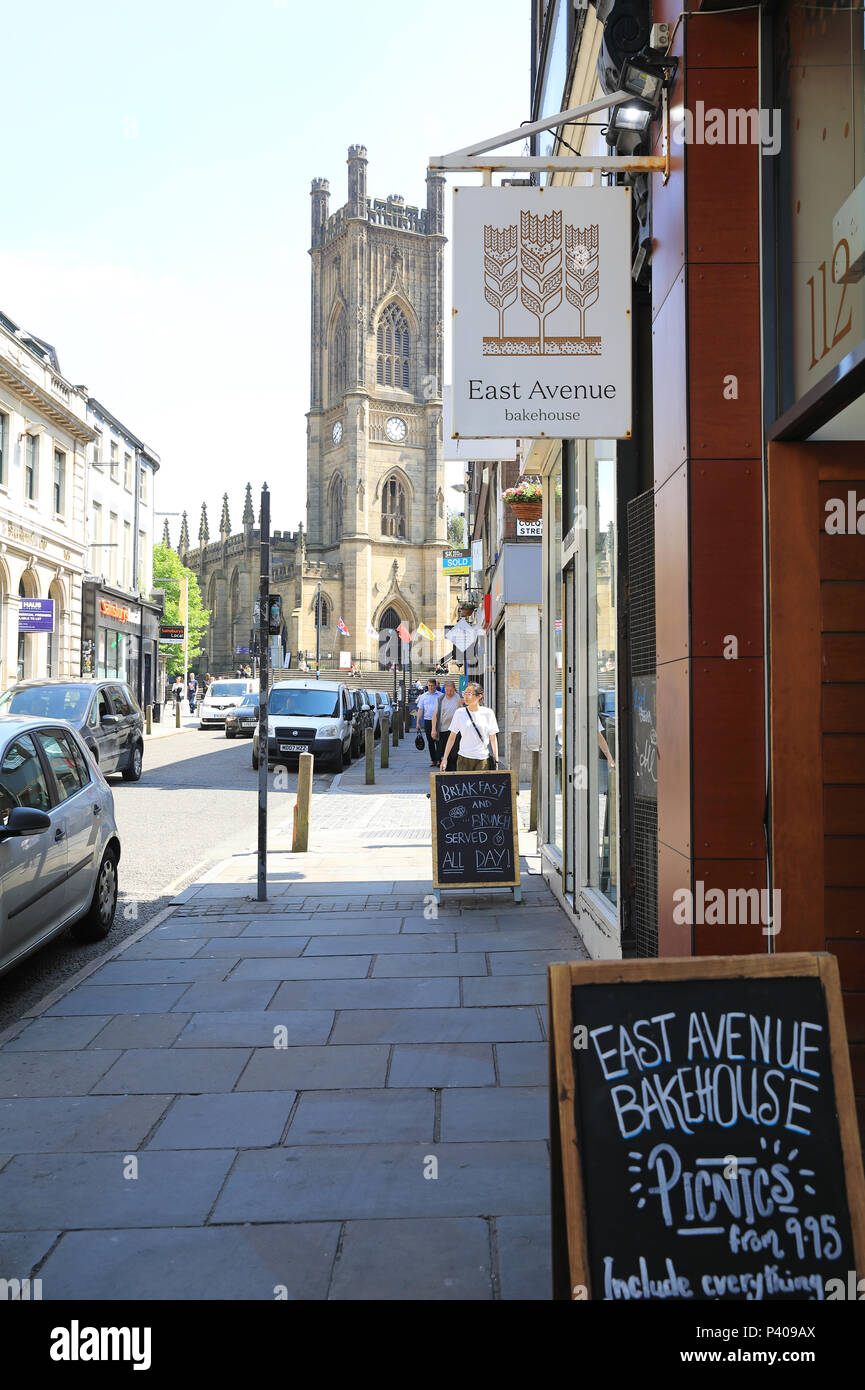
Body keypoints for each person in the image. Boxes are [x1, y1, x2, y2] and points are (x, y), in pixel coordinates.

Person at [440, 682, 498, 772]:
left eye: (469, 694)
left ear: (479, 696)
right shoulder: (459, 713)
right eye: (465, 693)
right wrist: (444, 759)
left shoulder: (488, 713)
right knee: (463, 785)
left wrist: (496, 760)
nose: (466, 697)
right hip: (464, 758)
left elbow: (493, 738)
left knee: (480, 785)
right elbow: (452, 737)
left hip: (482, 759)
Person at [432, 679, 461, 767]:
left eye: (451, 690)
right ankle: (447, 769)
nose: (449, 692)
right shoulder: (440, 699)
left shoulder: (459, 697)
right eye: (447, 690)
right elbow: (435, 715)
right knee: (445, 751)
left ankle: (454, 769)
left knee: (454, 752)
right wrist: (433, 729)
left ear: (454, 689)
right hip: (443, 729)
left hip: (456, 730)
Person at [415, 678, 442, 766]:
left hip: (438, 721)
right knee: (430, 741)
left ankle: (439, 760)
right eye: (429, 685)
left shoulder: (441, 696)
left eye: (432, 685)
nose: (430, 687)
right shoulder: (423, 696)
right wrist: (418, 722)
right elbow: (420, 709)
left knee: (438, 741)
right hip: (428, 721)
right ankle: (433, 760)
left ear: (435, 686)